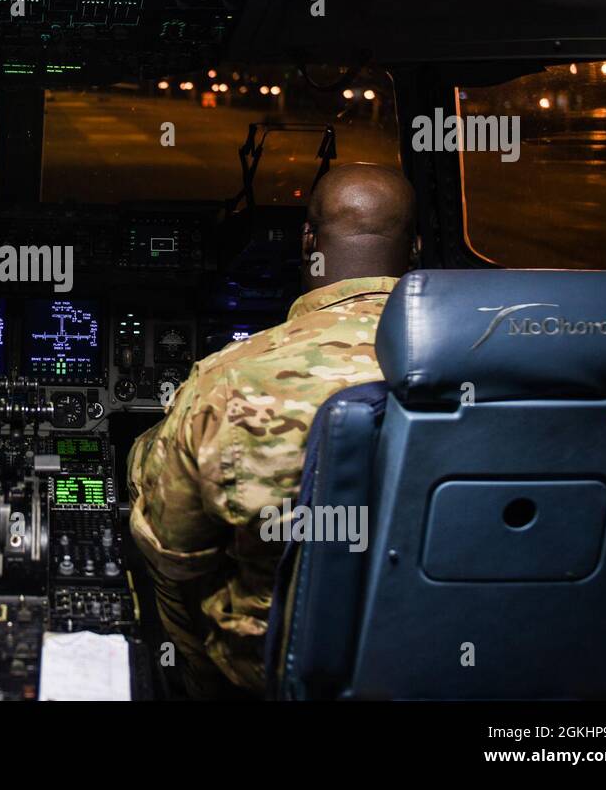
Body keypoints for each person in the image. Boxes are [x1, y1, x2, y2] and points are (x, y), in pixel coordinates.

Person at [127, 162, 419, 698]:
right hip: (446, 658)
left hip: (276, 671)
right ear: (417, 248)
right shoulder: (497, 368)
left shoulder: (231, 378)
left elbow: (173, 549)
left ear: (308, 239)